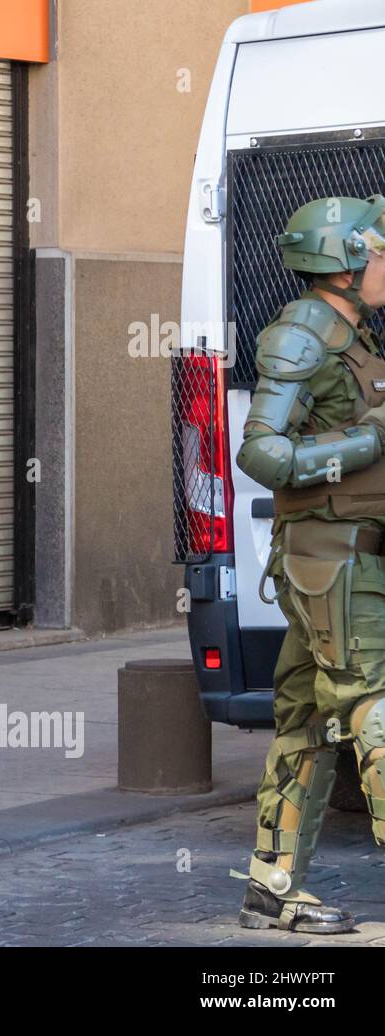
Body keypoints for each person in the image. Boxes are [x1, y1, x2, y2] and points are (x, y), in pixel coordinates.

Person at [233, 194, 385, 933]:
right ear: (348, 259)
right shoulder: (302, 331)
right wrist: (373, 439)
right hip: (334, 560)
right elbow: (262, 453)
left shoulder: (351, 333)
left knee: (303, 721)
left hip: (343, 556)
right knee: (373, 708)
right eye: (381, 251)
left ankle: (273, 888)